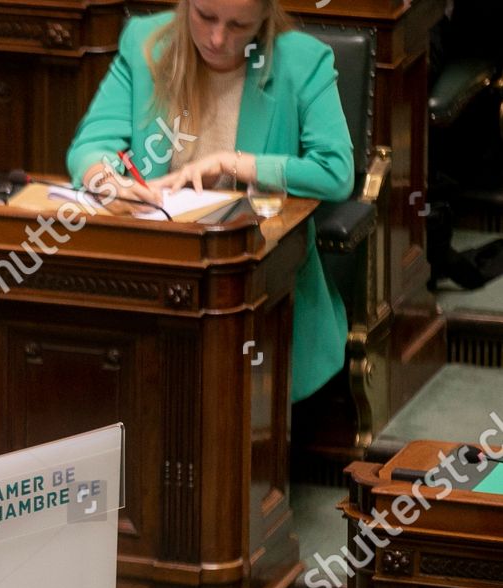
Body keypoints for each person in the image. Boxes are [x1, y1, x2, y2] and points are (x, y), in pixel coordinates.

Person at [65, 0, 353, 402]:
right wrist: (105, 178)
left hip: (258, 291)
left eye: (238, 25)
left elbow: (336, 172)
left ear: (265, 17)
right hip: (156, 273)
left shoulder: (301, 62)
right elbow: (92, 145)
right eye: (205, 17)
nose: (218, 39)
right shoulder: (145, 42)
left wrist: (235, 164)